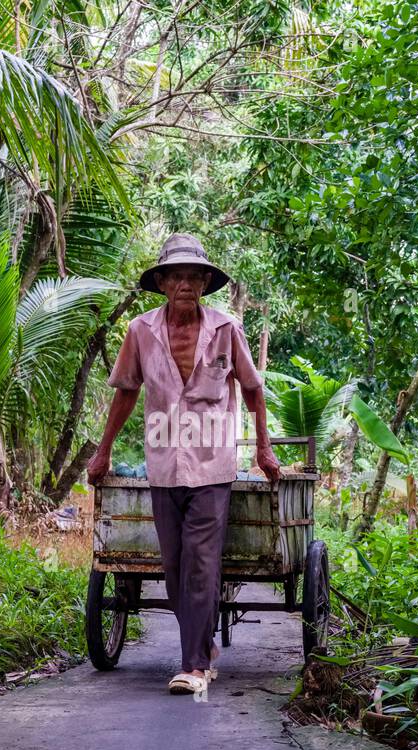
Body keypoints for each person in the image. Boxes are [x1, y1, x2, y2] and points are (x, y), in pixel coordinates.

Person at [87, 233, 280, 694]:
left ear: (206, 283)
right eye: (178, 276)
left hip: (213, 464)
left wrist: (263, 447)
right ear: (163, 282)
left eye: (196, 276)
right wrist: (103, 449)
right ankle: (203, 642)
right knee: (173, 564)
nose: (187, 284)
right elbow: (127, 392)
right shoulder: (141, 331)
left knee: (200, 561)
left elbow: (252, 389)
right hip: (164, 464)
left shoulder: (226, 329)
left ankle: (193, 666)